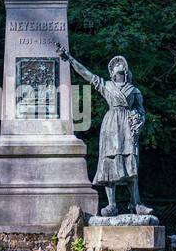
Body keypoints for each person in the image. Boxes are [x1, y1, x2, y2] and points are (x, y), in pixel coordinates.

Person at [56, 43, 148, 216]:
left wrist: (139, 121)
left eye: (120, 65)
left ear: (125, 71)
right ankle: (111, 205)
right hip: (111, 124)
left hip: (127, 125)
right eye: (114, 65)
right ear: (111, 72)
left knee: (131, 163)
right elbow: (87, 74)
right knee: (109, 162)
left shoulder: (134, 91)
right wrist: (69, 58)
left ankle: (136, 203)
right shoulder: (106, 86)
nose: (118, 66)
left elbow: (142, 112)